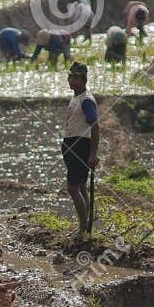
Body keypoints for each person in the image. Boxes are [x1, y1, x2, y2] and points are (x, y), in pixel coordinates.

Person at [62, 62, 99, 234]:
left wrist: (93, 154)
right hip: (71, 143)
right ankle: (85, 225)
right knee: (81, 186)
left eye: (76, 77)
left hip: (80, 145)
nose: (71, 80)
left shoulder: (86, 100)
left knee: (72, 188)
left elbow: (95, 127)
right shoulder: (76, 97)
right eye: (70, 76)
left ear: (84, 80)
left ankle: (82, 227)